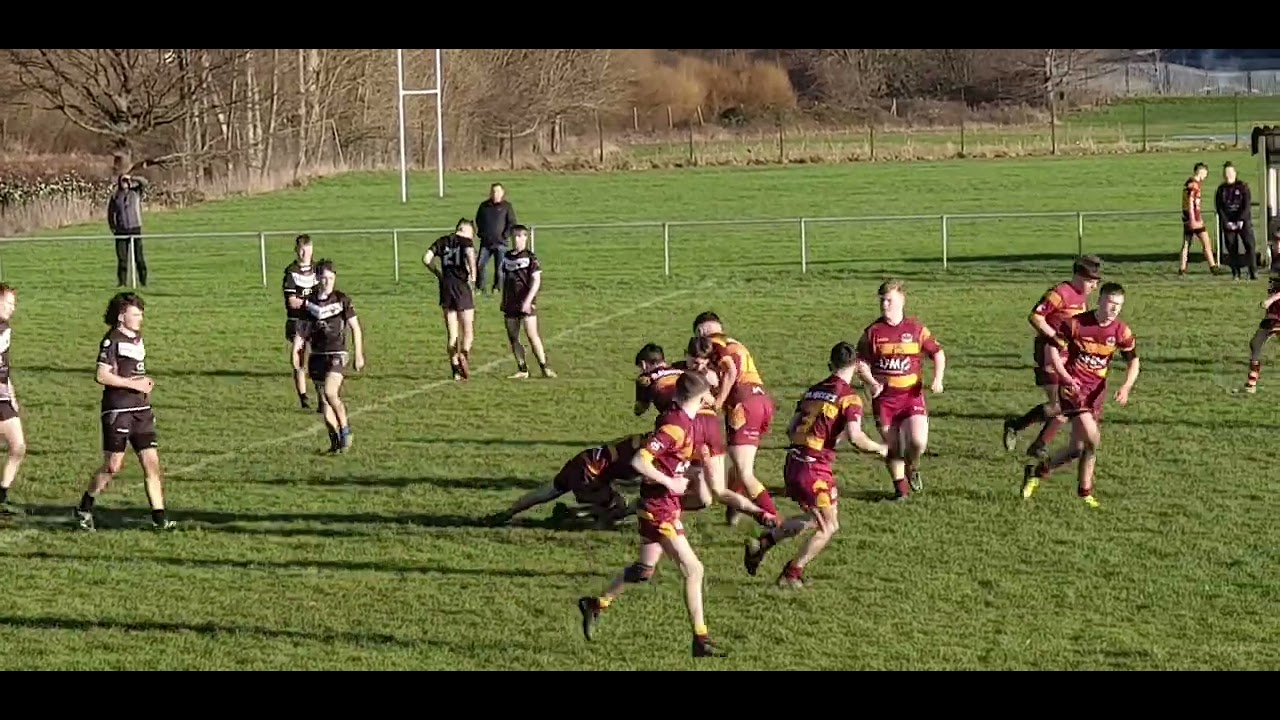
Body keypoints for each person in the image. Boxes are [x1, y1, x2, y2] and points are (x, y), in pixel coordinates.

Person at [577, 371, 726, 658]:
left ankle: (596, 604)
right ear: (699, 395)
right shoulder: (675, 426)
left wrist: (690, 471)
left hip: (657, 504)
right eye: (709, 391)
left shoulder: (685, 420)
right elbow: (640, 460)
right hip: (660, 508)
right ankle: (700, 639)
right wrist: (670, 482)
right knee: (694, 569)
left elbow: (670, 459)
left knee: (644, 571)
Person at [743, 341, 886, 588]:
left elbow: (790, 430)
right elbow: (857, 438)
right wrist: (880, 448)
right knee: (829, 526)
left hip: (793, 463)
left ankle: (766, 542)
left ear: (830, 365)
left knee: (813, 518)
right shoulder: (850, 398)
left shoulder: (812, 391)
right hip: (813, 469)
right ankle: (792, 574)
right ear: (855, 366)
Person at [1022, 283, 1140, 508]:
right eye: (1111, 303)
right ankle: (1084, 492)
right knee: (1093, 438)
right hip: (1073, 390)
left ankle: (1038, 472)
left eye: (1119, 305)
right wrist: (1066, 376)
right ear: (1101, 300)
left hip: (1096, 394)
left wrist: (1126, 386)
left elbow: (1133, 360)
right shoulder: (1076, 324)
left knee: (1078, 448)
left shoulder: (1120, 331)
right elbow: (1052, 349)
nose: (1114, 309)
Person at [634, 339, 772, 523]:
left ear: (643, 365)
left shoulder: (646, 378)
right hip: (711, 423)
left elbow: (639, 410)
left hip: (685, 425)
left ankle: (652, 508)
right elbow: (709, 393)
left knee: (663, 474)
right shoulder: (685, 371)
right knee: (718, 490)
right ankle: (762, 514)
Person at [75, 292, 175, 531]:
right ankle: (85, 506)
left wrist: (145, 383)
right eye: (135, 313)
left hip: (141, 410)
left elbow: (134, 371)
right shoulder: (111, 340)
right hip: (118, 410)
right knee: (112, 466)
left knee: (151, 464)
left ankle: (159, 519)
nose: (140, 318)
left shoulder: (137, 338)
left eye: (141, 313)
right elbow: (102, 375)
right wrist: (135, 384)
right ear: (122, 317)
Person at [854, 279, 946, 500]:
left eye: (889, 300)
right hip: (884, 401)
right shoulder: (872, 332)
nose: (884, 305)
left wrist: (938, 379)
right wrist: (872, 382)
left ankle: (912, 466)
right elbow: (860, 362)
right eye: (882, 301)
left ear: (902, 300)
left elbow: (937, 353)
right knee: (893, 446)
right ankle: (900, 492)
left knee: (918, 441)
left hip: (911, 396)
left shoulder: (916, 329)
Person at [1003, 255, 1102, 459]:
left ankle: (1037, 443)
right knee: (1061, 404)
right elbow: (1035, 316)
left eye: (1096, 282)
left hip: (1068, 356)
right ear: (1078, 277)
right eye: (1091, 281)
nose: (1094, 286)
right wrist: (1055, 338)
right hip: (1049, 352)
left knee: (1067, 403)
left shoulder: (1080, 296)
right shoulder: (1059, 293)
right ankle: (1018, 426)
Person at [689, 312, 780, 526]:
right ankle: (733, 510)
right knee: (738, 466)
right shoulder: (733, 342)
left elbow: (729, 371)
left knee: (745, 473)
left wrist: (719, 400)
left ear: (700, 332)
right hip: (762, 402)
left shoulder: (713, 344)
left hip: (742, 406)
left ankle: (775, 522)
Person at [288, 259, 365, 454]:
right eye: (324, 278)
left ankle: (346, 431)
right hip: (317, 357)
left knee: (331, 393)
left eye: (331, 278)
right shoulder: (309, 304)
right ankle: (335, 441)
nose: (328, 282)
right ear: (318, 279)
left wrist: (358, 354)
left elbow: (355, 327)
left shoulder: (342, 299)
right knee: (324, 405)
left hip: (337, 354)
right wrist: (297, 352)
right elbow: (301, 334)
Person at [483, 434, 641, 528]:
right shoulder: (659, 450)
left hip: (584, 459)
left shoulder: (650, 439)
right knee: (619, 509)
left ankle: (507, 512)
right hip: (591, 472)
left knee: (548, 491)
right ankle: (572, 516)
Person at [423, 219, 478, 381]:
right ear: (466, 230)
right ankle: (464, 356)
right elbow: (469, 255)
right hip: (461, 287)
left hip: (446, 287)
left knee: (452, 334)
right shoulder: (466, 241)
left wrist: (438, 274)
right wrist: (473, 276)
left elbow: (426, 259)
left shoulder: (443, 241)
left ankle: (455, 370)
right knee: (468, 329)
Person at [500, 225, 556, 379]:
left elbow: (536, 281)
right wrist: (503, 299)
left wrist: (528, 300)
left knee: (532, 336)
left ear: (525, 238)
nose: (517, 240)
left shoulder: (531, 258)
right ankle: (522, 369)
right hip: (510, 303)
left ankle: (544, 367)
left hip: (526, 303)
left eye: (520, 236)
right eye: (514, 237)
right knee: (513, 337)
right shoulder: (506, 257)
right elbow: (504, 279)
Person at [282, 234, 319, 410]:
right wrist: (310, 303)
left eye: (308, 249)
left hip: (316, 321)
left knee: (319, 359)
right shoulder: (291, 272)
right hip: (298, 321)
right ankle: (304, 398)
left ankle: (321, 396)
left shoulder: (318, 270)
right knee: (299, 358)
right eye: (301, 249)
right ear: (297, 250)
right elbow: (292, 301)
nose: (305, 253)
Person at [1241, 228, 1280, 394]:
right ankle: (1251, 383)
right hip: (1273, 311)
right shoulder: (1276, 261)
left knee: (1257, 342)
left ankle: (1251, 383)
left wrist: (1270, 300)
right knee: (1255, 343)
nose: (1277, 244)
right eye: (1275, 240)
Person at [0, 285, 26, 516]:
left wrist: (11, 392)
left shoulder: (5, 328)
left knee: (18, 447)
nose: (12, 308)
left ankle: (2, 497)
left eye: (13, 304)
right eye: (8, 303)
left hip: (2, 396)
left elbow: (4, 365)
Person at [1180, 162, 1224, 276]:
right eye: (1205, 173)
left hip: (1187, 217)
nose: (1206, 176)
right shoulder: (1195, 185)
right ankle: (1213, 266)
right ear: (1201, 171)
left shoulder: (1188, 183)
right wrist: (1193, 218)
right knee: (1206, 241)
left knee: (1186, 243)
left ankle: (1182, 268)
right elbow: (1190, 202)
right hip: (1194, 218)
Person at [1215, 161, 1257, 280]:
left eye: (1229, 172)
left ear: (1235, 173)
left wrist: (1241, 220)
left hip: (1243, 222)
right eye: (1225, 173)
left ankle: (1253, 272)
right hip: (1228, 223)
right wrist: (1226, 222)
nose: (1227, 175)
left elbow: (1246, 205)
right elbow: (1219, 207)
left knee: (1250, 246)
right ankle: (1236, 273)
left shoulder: (1243, 186)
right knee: (1232, 248)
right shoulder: (1221, 189)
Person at [107, 174, 150, 287]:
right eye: (123, 180)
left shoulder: (135, 192)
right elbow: (110, 214)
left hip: (135, 228)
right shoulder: (115, 196)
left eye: (126, 181)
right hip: (121, 230)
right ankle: (122, 283)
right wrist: (113, 228)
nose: (125, 182)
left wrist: (133, 178)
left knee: (139, 258)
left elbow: (144, 182)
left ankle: (143, 281)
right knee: (122, 259)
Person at [475, 183, 518, 293]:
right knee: (480, 265)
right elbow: (478, 220)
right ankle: (480, 288)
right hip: (486, 243)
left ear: (502, 193)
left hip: (501, 243)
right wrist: (481, 233)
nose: (495, 194)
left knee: (499, 268)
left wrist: (505, 235)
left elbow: (512, 222)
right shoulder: (484, 206)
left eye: (498, 191)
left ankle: (497, 288)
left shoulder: (507, 207)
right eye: (493, 191)